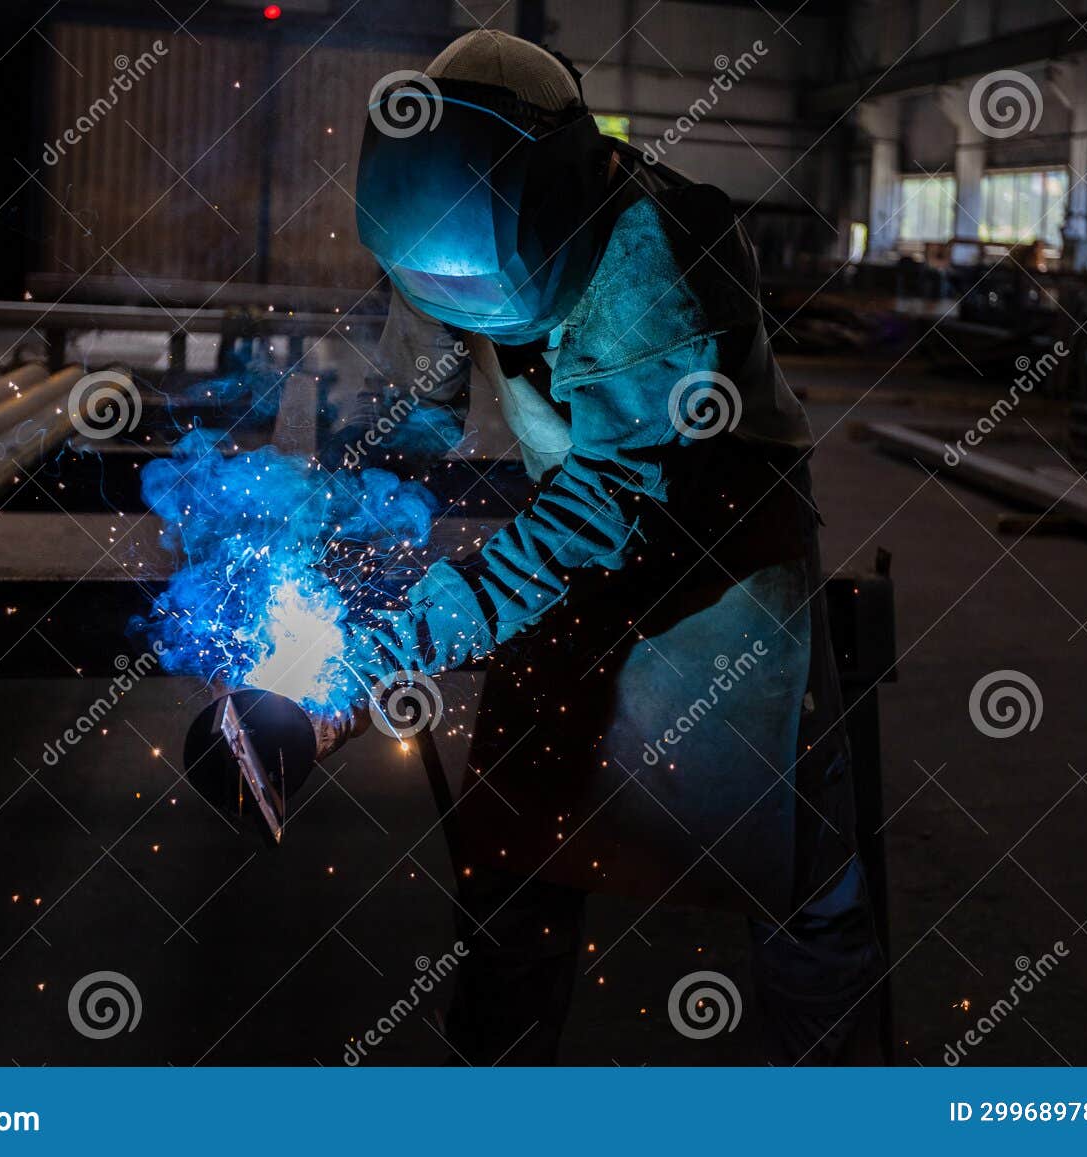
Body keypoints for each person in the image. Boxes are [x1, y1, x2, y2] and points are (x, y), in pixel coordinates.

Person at [347, 29, 881, 1064]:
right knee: (515, 844)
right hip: (580, 527)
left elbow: (610, 498)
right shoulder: (432, 216)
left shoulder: (656, 249)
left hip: (723, 532)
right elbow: (419, 402)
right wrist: (365, 513)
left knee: (796, 867)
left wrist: (411, 629)